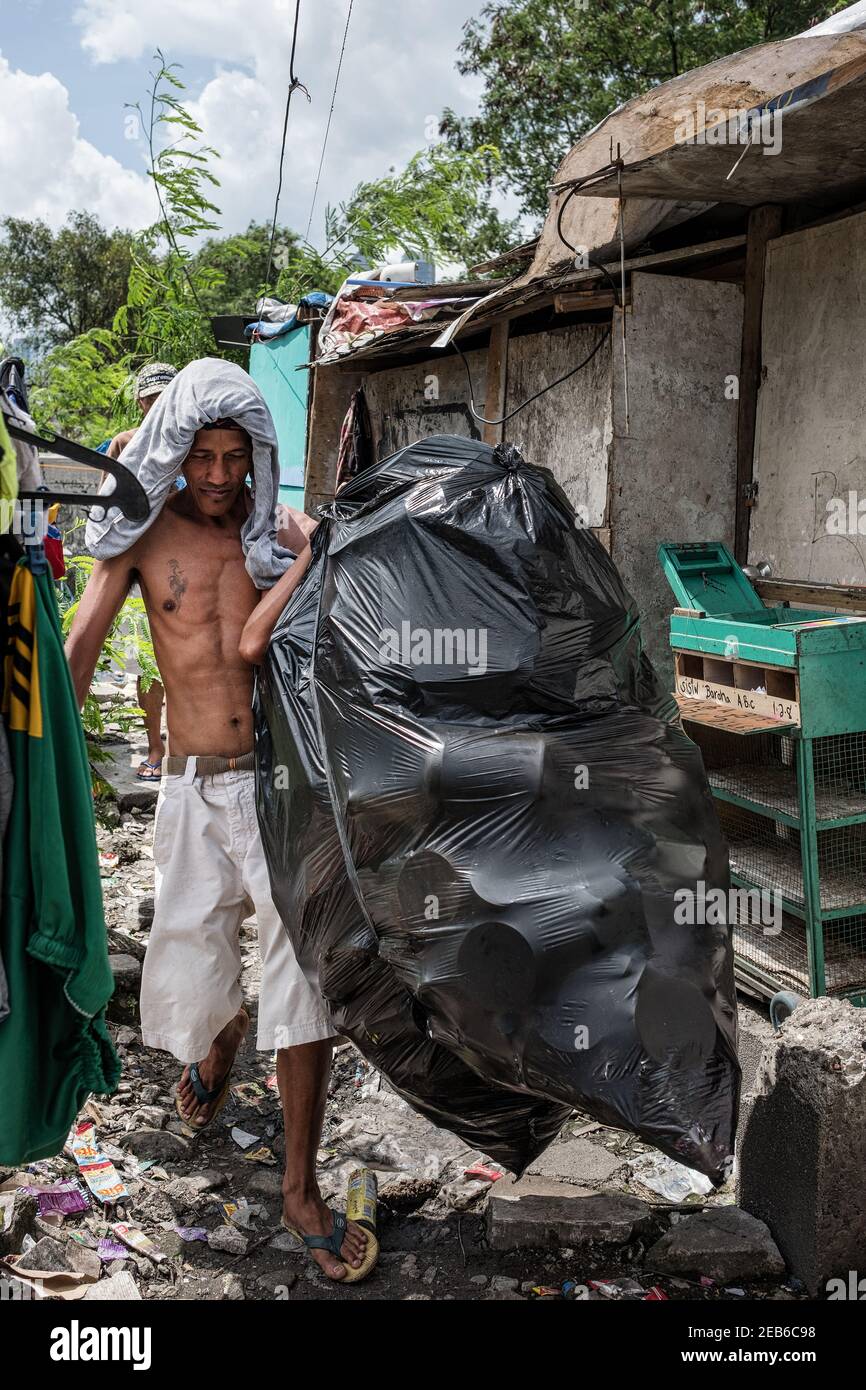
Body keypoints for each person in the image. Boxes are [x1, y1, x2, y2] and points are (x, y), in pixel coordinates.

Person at [66, 419, 371, 1282]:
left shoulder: (274, 530)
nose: (218, 475)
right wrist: (33, 759)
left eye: (235, 459)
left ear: (257, 461)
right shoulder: (141, 537)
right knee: (196, 979)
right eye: (202, 457)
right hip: (193, 790)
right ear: (176, 455)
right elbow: (83, 642)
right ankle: (223, 1037)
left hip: (281, 786)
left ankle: (299, 1187)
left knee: (301, 976)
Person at [105, 363, 179, 781]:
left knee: (182, 658)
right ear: (140, 401)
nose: (158, 406)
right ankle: (156, 746)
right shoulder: (124, 443)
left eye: (166, 397)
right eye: (151, 398)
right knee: (146, 662)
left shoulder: (191, 441)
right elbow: (106, 505)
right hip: (137, 564)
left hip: (180, 564)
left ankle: (183, 742)